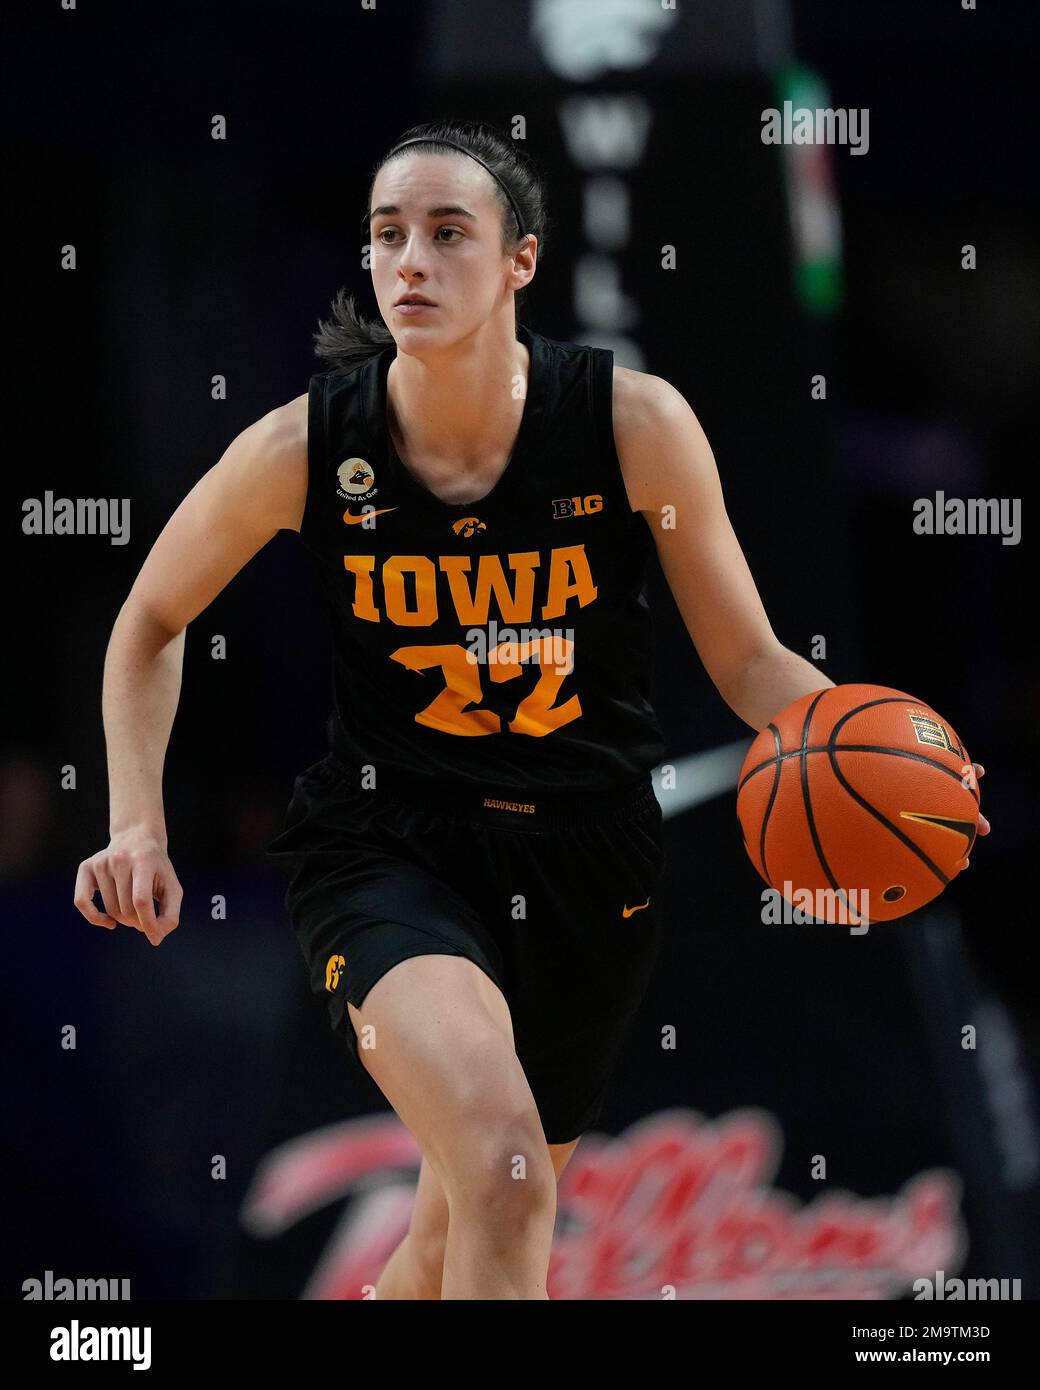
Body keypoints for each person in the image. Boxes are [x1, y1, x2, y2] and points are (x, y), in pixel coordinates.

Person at [73, 118, 989, 1300]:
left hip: (586, 858)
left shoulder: (631, 426)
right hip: (390, 850)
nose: (408, 260)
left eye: (447, 233)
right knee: (506, 1174)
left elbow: (752, 663)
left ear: (520, 260)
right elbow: (148, 620)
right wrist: (136, 821)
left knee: (457, 1233)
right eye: (386, 234)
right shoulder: (307, 447)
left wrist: (885, 754)